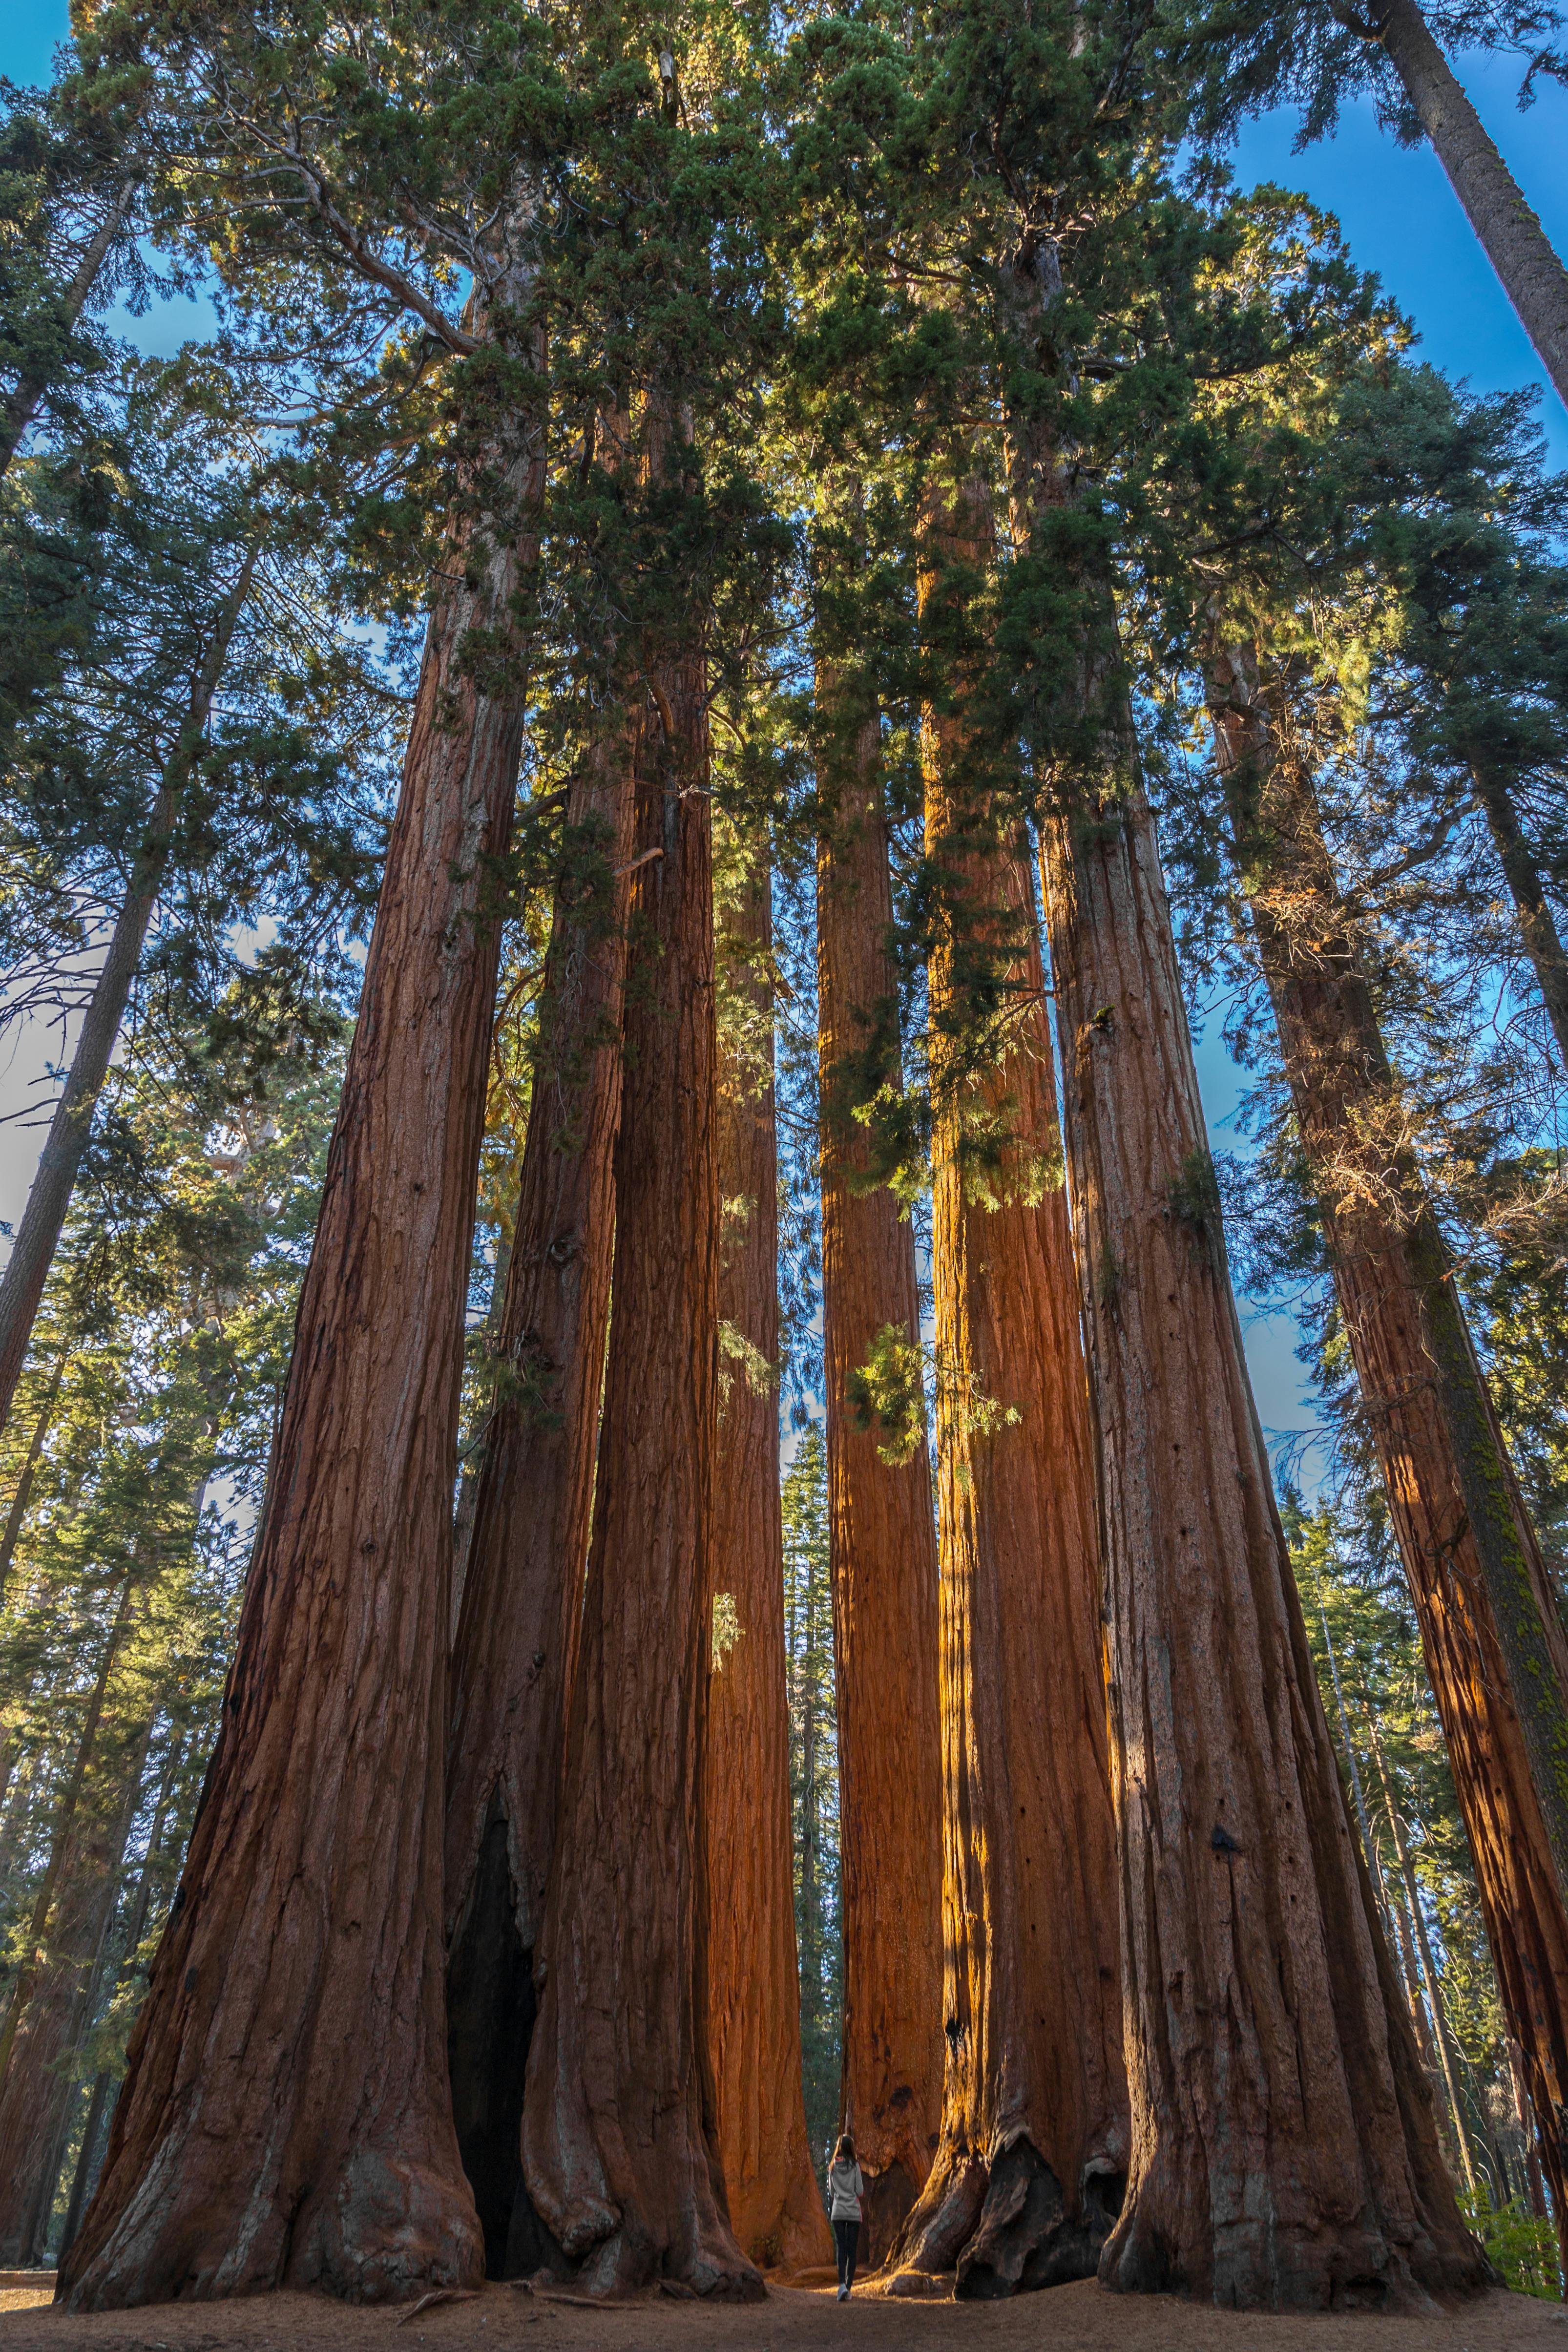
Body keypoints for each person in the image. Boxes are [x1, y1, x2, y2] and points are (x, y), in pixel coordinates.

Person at [827, 2132, 864, 2300]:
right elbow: (860, 2191)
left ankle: (841, 2285)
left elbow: (832, 2192)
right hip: (853, 2212)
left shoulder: (832, 2167)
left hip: (838, 2212)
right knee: (852, 2251)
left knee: (841, 2248)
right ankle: (848, 2288)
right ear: (852, 2148)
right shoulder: (855, 2166)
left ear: (839, 2148)